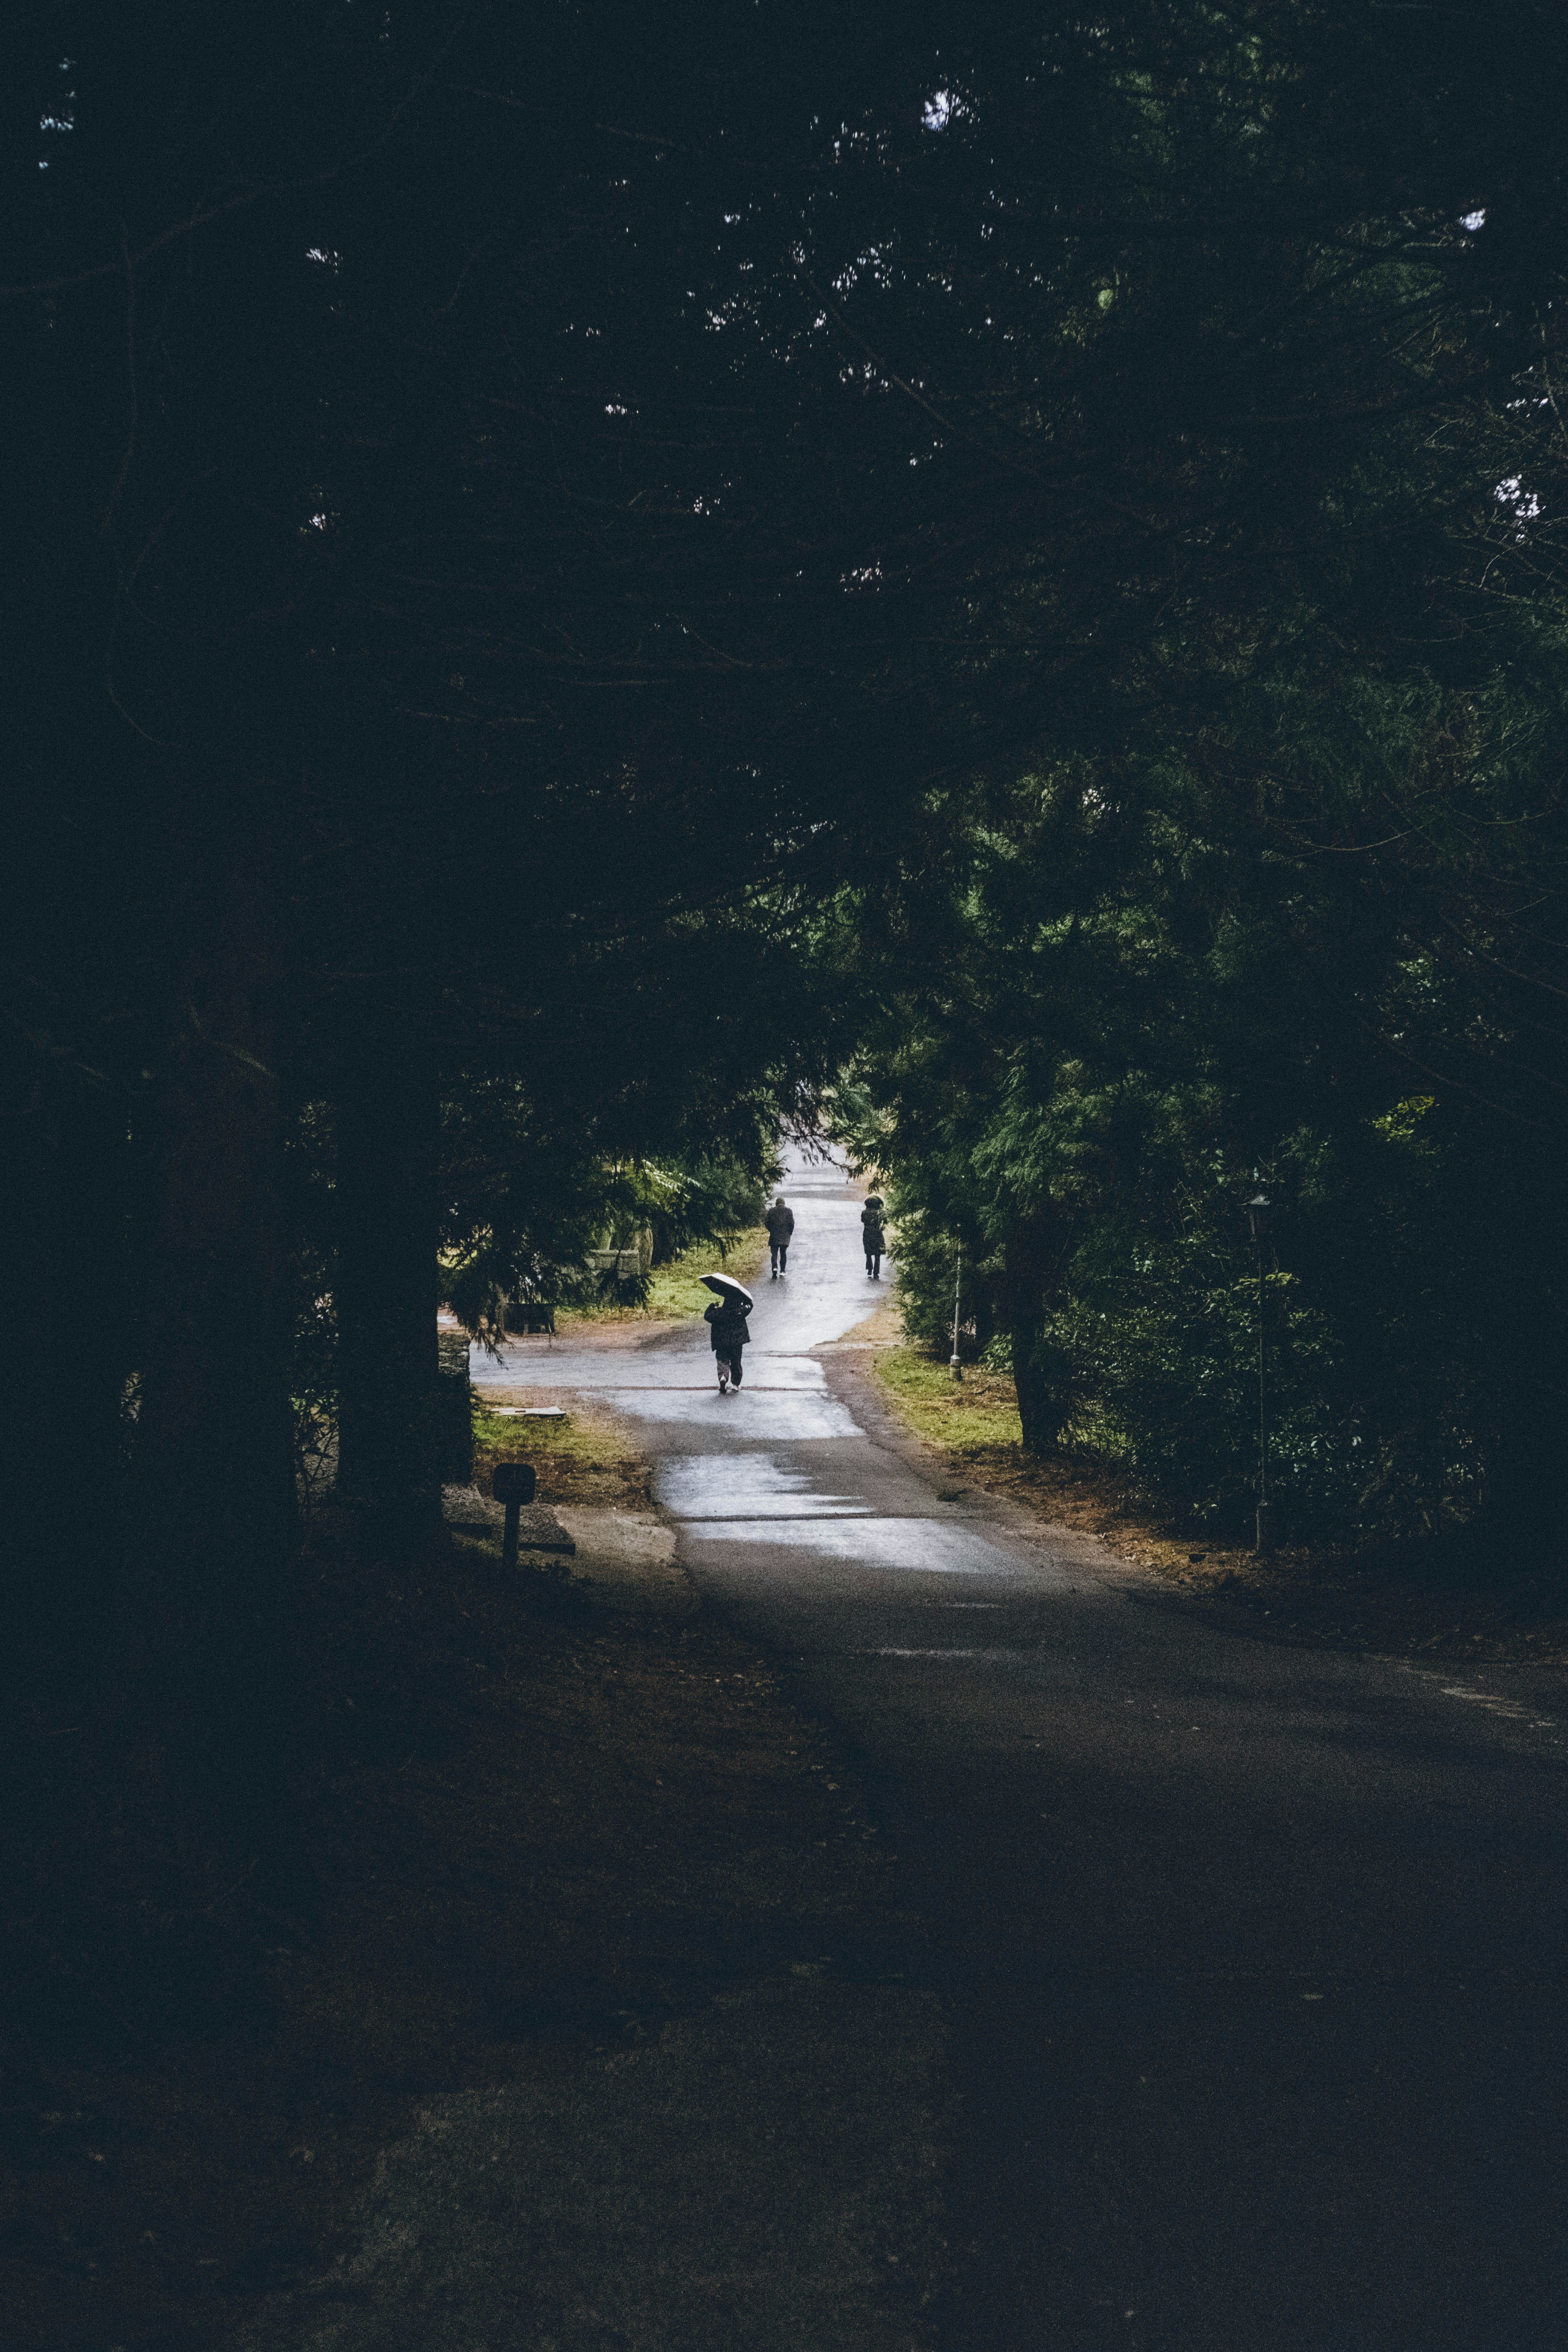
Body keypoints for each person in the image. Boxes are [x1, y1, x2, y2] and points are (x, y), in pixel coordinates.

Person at [704, 1289, 751, 1391]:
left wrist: (713, 1305)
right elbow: (749, 1307)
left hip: (721, 1342)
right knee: (736, 1361)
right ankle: (736, 1384)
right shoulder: (740, 1311)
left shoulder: (719, 1312)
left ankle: (723, 1377)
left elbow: (707, 1316)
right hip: (737, 1342)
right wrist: (747, 1302)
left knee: (722, 1360)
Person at [764, 1192, 795, 1277]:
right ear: (784, 1203)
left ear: (776, 1204)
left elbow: (766, 1222)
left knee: (774, 1254)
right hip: (785, 1237)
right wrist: (790, 1233)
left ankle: (775, 1268)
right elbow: (792, 1224)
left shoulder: (771, 1211)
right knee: (783, 1253)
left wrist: (771, 1230)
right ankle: (782, 1271)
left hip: (774, 1235)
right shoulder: (789, 1211)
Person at [861, 1195, 887, 1279]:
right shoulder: (880, 1213)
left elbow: (863, 1220)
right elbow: (886, 1221)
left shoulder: (864, 1213)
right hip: (877, 1234)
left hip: (867, 1234)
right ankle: (876, 1273)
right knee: (877, 1254)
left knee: (868, 1253)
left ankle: (869, 1269)